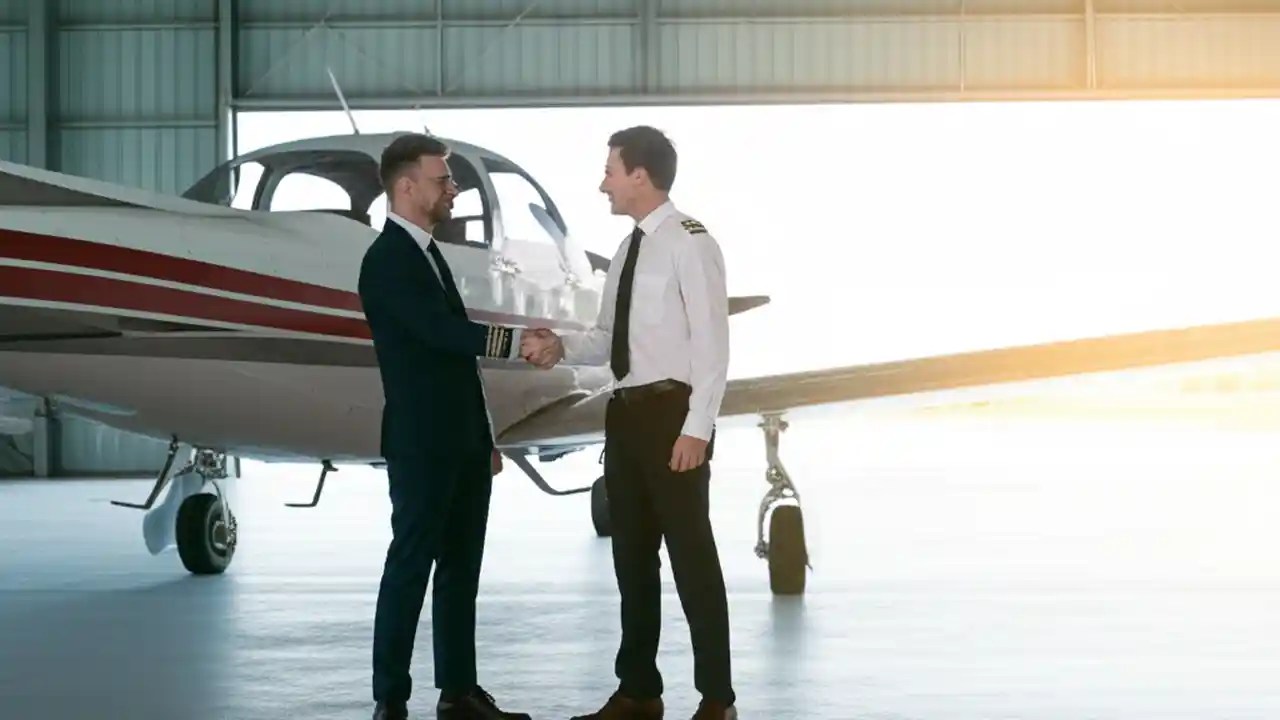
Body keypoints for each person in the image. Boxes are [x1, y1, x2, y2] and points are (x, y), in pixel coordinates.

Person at [521, 125, 737, 720]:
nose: (602, 184)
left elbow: (713, 346)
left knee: (693, 560)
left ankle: (717, 701)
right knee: (632, 560)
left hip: (673, 418)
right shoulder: (625, 249)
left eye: (610, 171)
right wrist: (559, 348)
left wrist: (698, 427)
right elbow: (607, 341)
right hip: (624, 417)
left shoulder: (690, 242)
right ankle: (639, 692)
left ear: (640, 175)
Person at [357, 132, 531, 720]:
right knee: (410, 567)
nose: (452, 190)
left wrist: (483, 438)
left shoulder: (430, 255)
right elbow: (442, 334)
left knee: (461, 571)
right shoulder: (387, 261)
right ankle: (391, 700)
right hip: (422, 447)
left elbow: (457, 365)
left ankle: (459, 692)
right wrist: (520, 342)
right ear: (406, 187)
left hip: (460, 445)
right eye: (442, 180)